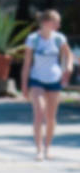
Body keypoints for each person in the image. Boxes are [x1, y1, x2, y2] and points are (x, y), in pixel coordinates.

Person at [21, 9, 74, 160]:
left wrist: (68, 67)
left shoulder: (59, 38)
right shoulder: (33, 39)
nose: (58, 24)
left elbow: (68, 54)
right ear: (45, 23)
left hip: (54, 79)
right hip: (37, 79)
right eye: (55, 21)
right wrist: (24, 85)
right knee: (39, 113)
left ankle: (48, 147)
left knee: (51, 117)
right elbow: (27, 64)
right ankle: (38, 149)